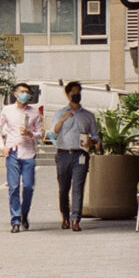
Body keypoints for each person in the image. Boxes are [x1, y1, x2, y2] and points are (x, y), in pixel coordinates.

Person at [47, 81, 100, 230]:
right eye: (74, 92)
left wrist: (93, 142)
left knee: (78, 187)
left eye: (79, 92)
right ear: (68, 94)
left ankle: (76, 219)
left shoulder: (88, 115)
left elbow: (96, 135)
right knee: (63, 188)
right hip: (63, 154)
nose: (77, 95)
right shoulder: (59, 113)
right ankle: (65, 216)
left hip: (80, 155)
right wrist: (64, 119)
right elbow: (53, 132)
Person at [0, 82, 44, 233]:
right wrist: (2, 147)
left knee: (28, 186)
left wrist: (31, 134)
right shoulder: (7, 110)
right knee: (13, 187)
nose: (25, 94)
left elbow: (40, 134)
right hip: (13, 152)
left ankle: (24, 214)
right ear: (15, 94)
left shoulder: (34, 113)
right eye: (22, 92)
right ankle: (15, 219)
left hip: (28, 153)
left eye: (28, 92)